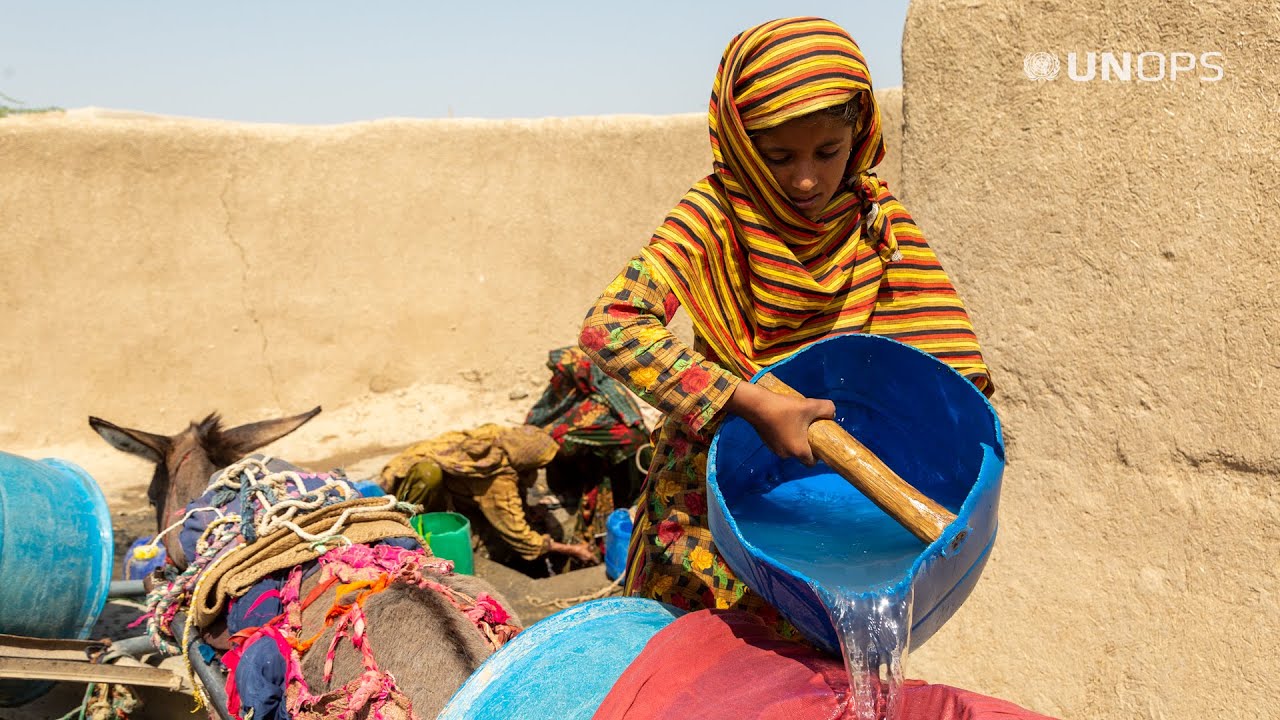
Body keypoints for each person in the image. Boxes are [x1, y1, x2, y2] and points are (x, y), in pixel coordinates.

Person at [578, 17, 994, 628]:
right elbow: (609, 326)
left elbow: (942, 369)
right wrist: (751, 404)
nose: (806, 179)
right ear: (742, 143)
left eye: (828, 152)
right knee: (706, 664)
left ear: (861, 133)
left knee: (815, 676)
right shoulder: (714, 215)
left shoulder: (874, 219)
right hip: (712, 499)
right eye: (779, 156)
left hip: (836, 495)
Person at [380, 423, 596, 575]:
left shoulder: (504, 439)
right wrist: (571, 550)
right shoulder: (497, 482)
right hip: (414, 481)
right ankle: (412, 524)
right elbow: (521, 539)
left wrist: (528, 509)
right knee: (430, 480)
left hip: (444, 474)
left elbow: (518, 483)